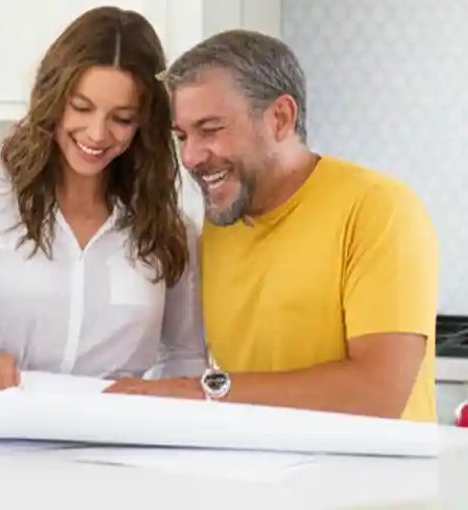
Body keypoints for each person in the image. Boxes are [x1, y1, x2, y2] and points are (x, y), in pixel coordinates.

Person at [107, 30, 438, 422]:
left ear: (280, 118)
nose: (192, 157)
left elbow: (377, 392)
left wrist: (193, 391)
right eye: (182, 136)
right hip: (262, 477)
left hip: (374, 482)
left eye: (210, 130)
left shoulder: (378, 210)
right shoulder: (217, 228)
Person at [0, 6, 206, 393]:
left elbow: (183, 356)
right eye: (81, 108)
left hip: (114, 436)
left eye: (122, 118)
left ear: (144, 124)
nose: (97, 133)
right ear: (53, 96)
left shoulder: (169, 227)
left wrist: (157, 399)